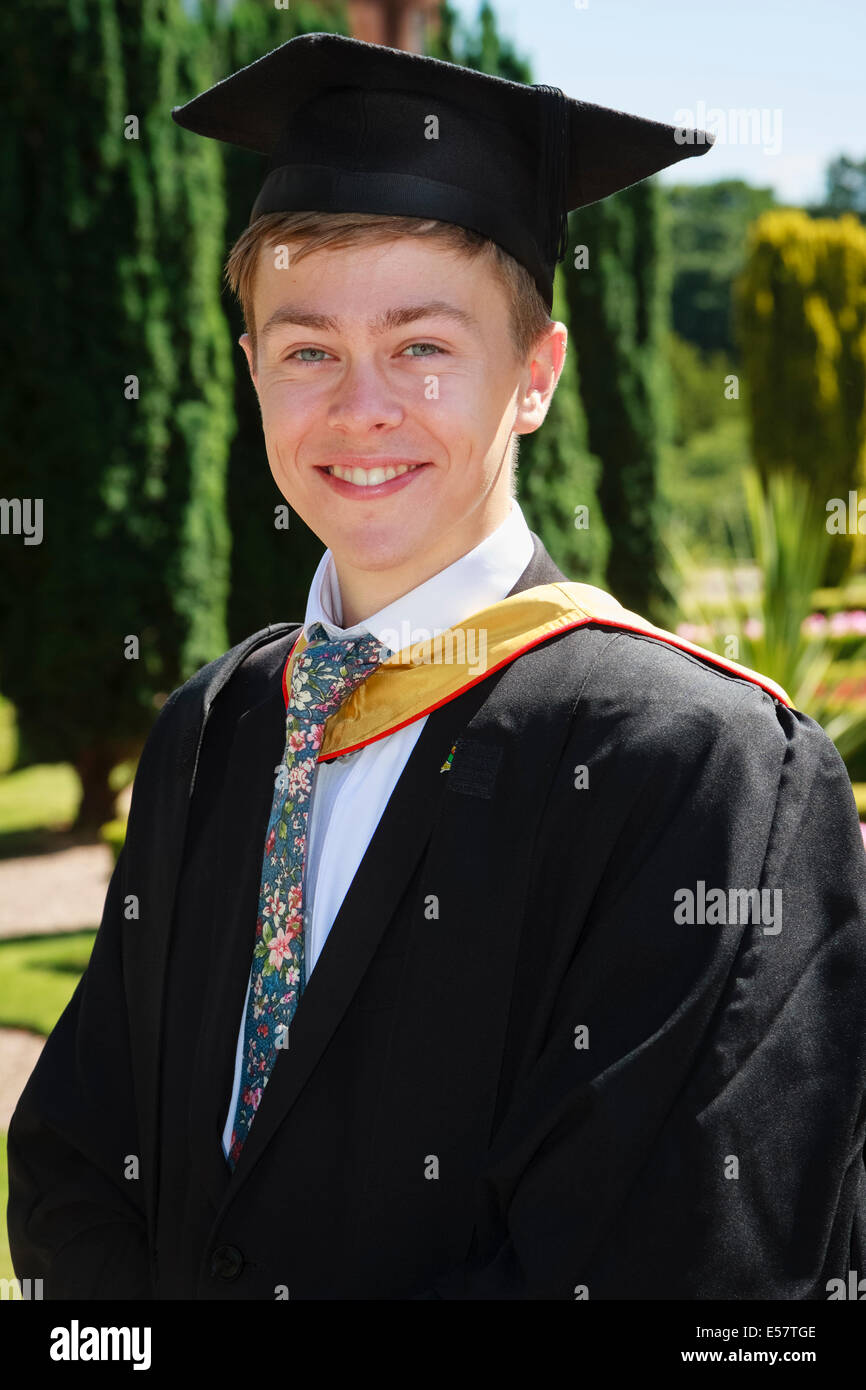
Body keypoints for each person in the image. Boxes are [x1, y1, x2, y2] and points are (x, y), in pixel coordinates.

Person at [8, 32, 866, 1302]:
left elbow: (680, 1268)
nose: (360, 409)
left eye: (422, 347)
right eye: (306, 350)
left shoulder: (698, 772)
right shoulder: (216, 726)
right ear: (249, 371)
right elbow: (79, 1156)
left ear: (533, 376)